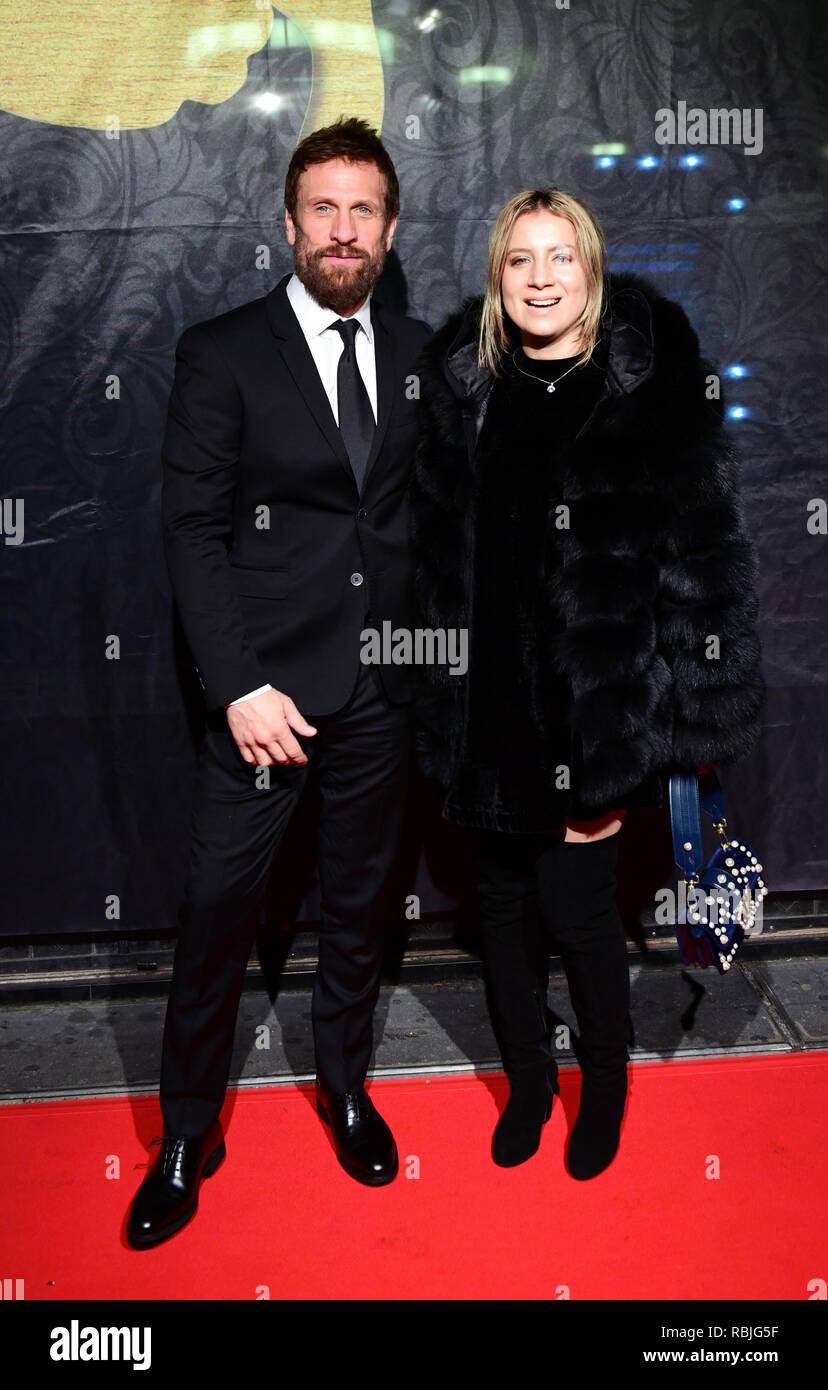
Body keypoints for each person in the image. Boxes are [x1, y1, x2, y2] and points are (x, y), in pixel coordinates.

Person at [409, 188, 764, 1180]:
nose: (540, 278)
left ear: (592, 272)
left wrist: (678, 717)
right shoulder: (467, 392)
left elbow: (704, 561)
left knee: (580, 916)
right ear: (496, 278)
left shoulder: (646, 391)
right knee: (503, 911)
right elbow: (433, 562)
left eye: (560, 258)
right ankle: (527, 1079)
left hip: (591, 716)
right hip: (486, 714)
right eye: (519, 260)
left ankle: (601, 1085)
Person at [127, 117, 431, 1249]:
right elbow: (193, 533)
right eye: (323, 207)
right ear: (288, 222)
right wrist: (238, 687)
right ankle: (185, 1131)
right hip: (266, 700)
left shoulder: (415, 354)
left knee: (358, 909)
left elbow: (420, 523)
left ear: (390, 230)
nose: (342, 229)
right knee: (216, 915)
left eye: (364, 210)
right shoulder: (223, 351)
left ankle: (344, 1084)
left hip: (382, 697)